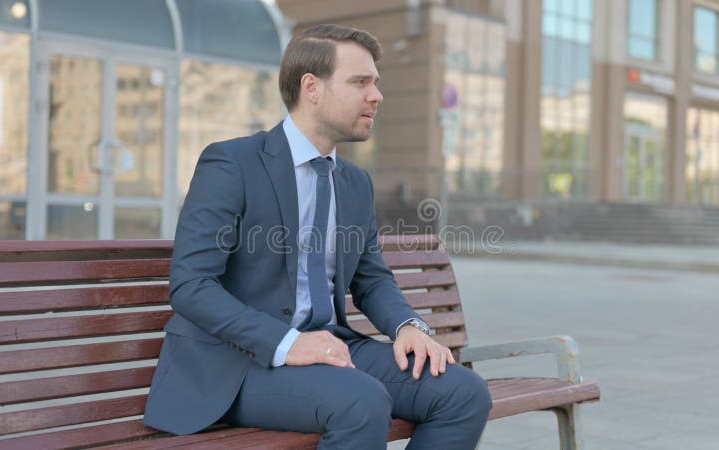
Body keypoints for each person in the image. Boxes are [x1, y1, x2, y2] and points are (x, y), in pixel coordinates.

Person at [143, 24, 492, 449]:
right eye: (360, 82)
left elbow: (371, 278)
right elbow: (191, 286)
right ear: (312, 87)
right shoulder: (232, 163)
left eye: (375, 83)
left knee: (463, 393)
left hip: (331, 349)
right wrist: (288, 344)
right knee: (361, 401)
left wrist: (408, 326)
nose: (376, 96)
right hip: (236, 364)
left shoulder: (354, 182)